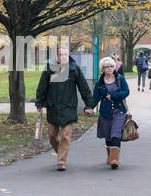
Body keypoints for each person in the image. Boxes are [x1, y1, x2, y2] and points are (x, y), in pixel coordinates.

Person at [35, 43, 95, 171]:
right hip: (53, 107)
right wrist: (39, 103)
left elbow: (84, 88)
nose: (63, 57)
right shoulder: (49, 68)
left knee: (65, 136)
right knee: (52, 136)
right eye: (61, 54)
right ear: (56, 56)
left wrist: (89, 104)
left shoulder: (74, 69)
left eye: (66, 54)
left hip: (69, 107)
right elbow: (42, 87)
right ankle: (60, 153)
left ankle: (61, 161)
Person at [92, 57, 130, 169]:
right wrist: (89, 107)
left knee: (116, 133)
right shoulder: (100, 82)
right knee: (108, 136)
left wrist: (113, 96)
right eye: (107, 67)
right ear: (102, 69)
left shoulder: (120, 78)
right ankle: (110, 156)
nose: (109, 68)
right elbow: (95, 97)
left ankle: (114, 159)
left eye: (111, 66)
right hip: (105, 112)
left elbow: (126, 91)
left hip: (119, 110)